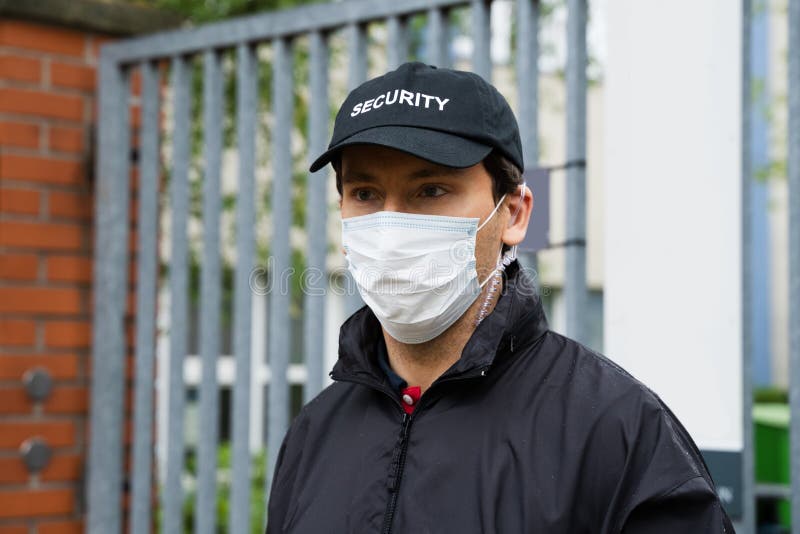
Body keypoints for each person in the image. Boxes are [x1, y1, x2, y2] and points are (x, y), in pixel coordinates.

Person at [265, 62, 734, 533]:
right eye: (365, 193)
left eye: (431, 190)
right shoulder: (314, 434)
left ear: (514, 213)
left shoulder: (617, 430)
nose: (389, 229)